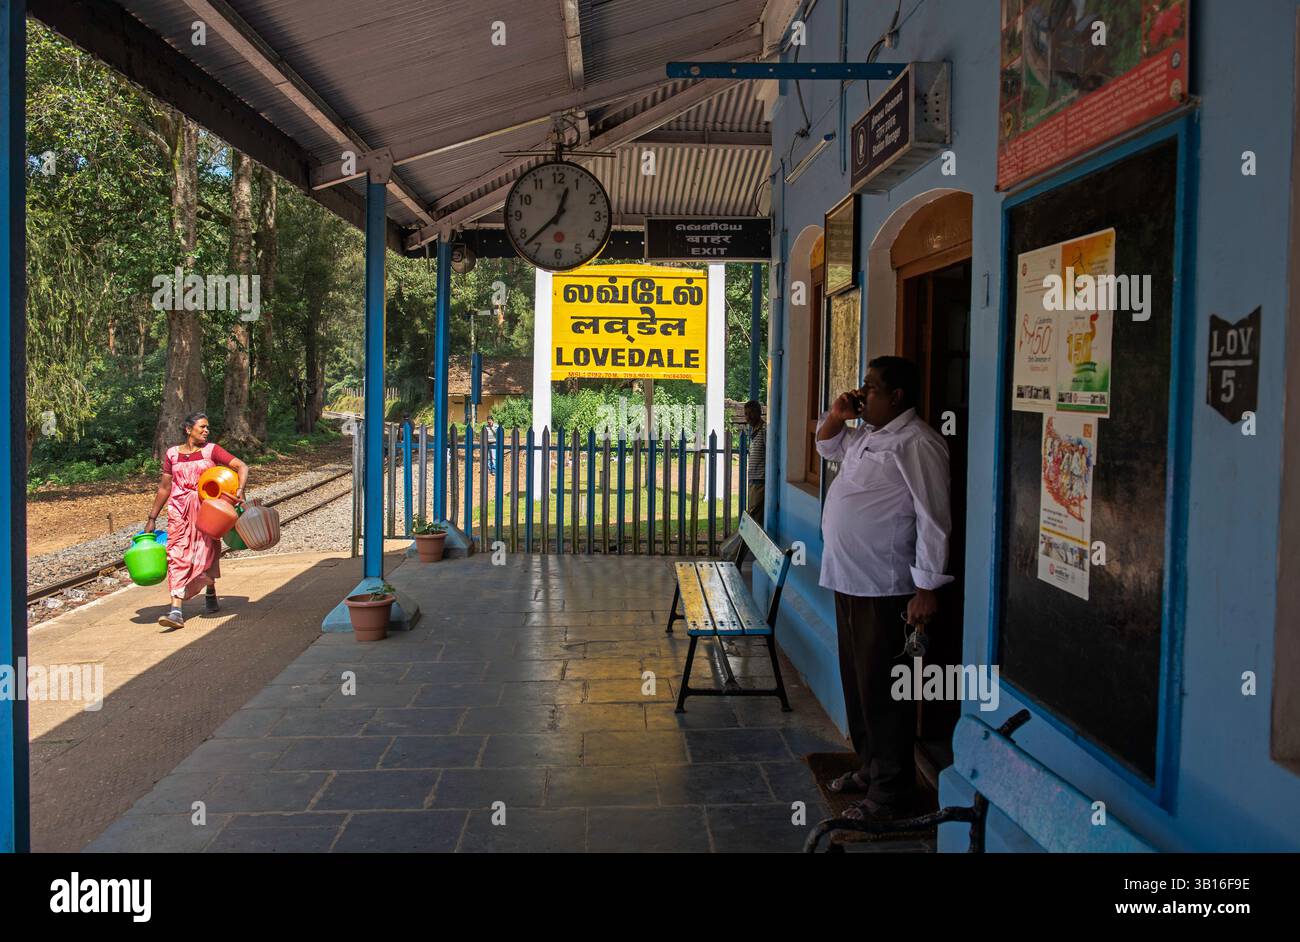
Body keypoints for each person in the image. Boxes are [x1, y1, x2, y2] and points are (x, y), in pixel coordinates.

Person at [815, 356, 952, 821]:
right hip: (848, 580)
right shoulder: (866, 436)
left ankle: (891, 792)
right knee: (858, 686)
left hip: (885, 587)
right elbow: (826, 447)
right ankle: (870, 768)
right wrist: (839, 414)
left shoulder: (919, 443)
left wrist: (926, 587)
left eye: (870, 387)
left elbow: (934, 517)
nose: (861, 393)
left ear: (896, 396)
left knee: (885, 693)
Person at [144, 412, 249, 632]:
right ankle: (176, 611)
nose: (206, 431)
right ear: (188, 429)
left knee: (205, 553)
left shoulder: (212, 450)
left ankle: (210, 591)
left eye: (207, 427)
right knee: (177, 554)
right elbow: (164, 487)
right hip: (178, 511)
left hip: (207, 512)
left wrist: (239, 490)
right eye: (202, 427)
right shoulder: (172, 454)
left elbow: (242, 466)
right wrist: (152, 518)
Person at [720, 400, 766, 559]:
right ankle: (736, 553)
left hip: (761, 481)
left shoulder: (764, 431)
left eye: (751, 413)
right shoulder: (754, 431)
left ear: (759, 412)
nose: (748, 417)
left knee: (752, 521)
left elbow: (770, 455)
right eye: (746, 414)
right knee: (753, 518)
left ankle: (735, 555)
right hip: (754, 481)